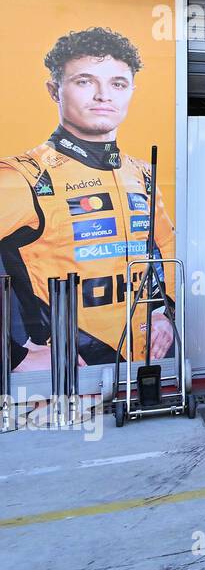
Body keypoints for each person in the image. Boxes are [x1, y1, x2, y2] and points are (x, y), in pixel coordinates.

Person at [0, 27, 175, 371]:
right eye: (84, 81)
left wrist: (163, 313)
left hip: (144, 365)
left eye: (118, 84)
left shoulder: (141, 173)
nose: (102, 95)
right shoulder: (23, 176)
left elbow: (161, 252)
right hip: (63, 378)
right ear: (54, 90)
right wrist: (14, 355)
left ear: (131, 93)